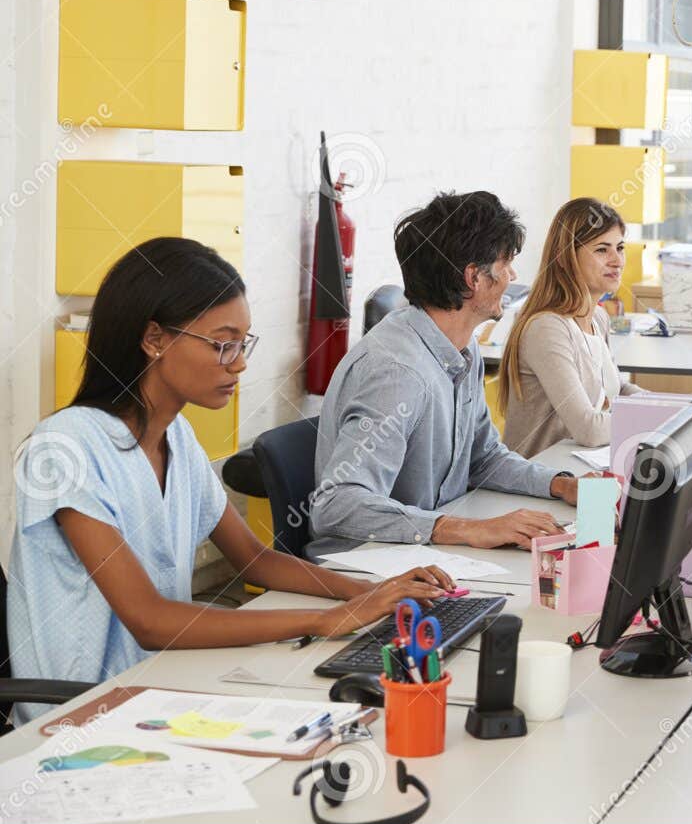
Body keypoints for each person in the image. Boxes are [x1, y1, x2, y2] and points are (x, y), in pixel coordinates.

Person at [7, 238, 452, 725]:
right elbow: (149, 619)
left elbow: (254, 560)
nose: (239, 363)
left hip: (165, 683)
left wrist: (362, 594)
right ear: (154, 338)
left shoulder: (175, 435)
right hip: (84, 715)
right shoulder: (65, 450)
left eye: (243, 343)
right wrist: (327, 621)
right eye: (223, 344)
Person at [310, 191, 577, 554]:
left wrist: (560, 484)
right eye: (506, 263)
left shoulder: (461, 349)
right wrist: (467, 528)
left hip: (432, 551)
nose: (513, 275)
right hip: (372, 564)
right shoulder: (398, 373)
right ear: (474, 278)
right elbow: (336, 506)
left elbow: (482, 459)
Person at [500, 198, 641, 454]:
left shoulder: (597, 318)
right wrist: (655, 419)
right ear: (566, 258)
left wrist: (671, 405)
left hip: (579, 469)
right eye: (601, 250)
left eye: (619, 248)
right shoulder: (547, 328)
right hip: (541, 480)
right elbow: (589, 429)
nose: (617, 261)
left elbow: (617, 388)